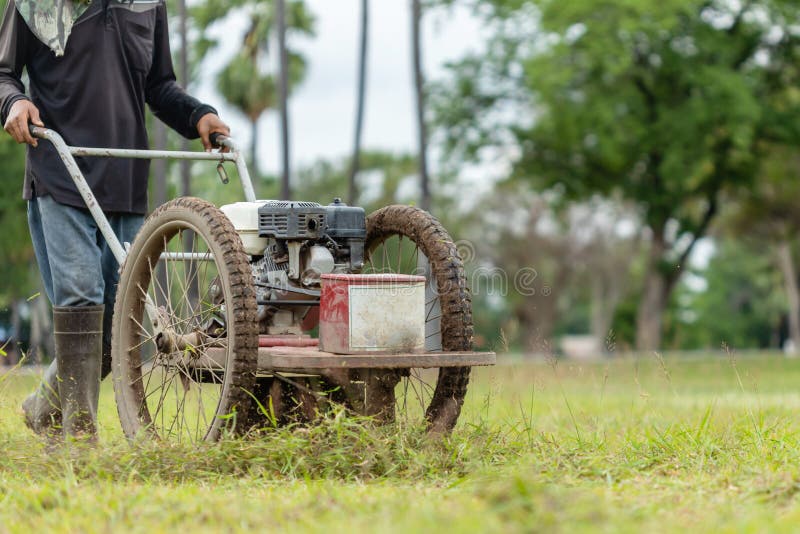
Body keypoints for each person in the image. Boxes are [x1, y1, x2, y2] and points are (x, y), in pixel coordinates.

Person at [0, 0, 230, 441]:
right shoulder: (32, 4)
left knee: (119, 318)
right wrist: (13, 101)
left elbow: (159, 85)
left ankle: (43, 408)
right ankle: (78, 440)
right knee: (82, 295)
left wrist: (197, 114)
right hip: (59, 169)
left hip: (125, 178)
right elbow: (3, 73)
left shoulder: (147, 6)